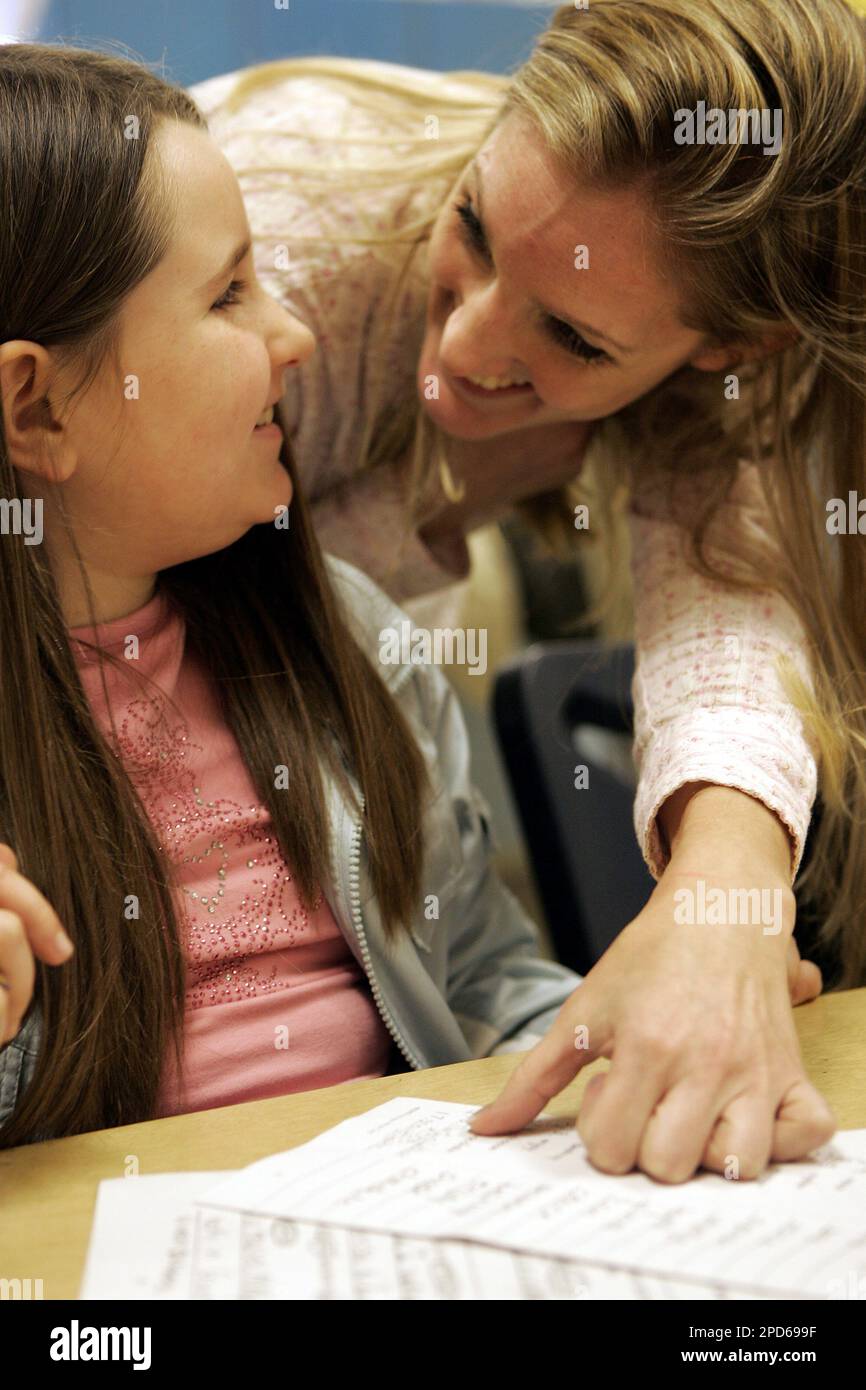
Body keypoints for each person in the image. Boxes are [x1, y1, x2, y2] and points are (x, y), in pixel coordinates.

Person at [185, 0, 863, 1181]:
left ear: (727, 351)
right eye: (475, 229)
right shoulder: (298, 237)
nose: (464, 349)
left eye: (575, 338)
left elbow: (726, 618)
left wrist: (725, 898)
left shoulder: (705, 390)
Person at [0, 43, 585, 1149]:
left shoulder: (351, 632)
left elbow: (484, 976)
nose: (294, 335)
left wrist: (612, 1031)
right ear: (36, 412)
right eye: (227, 294)